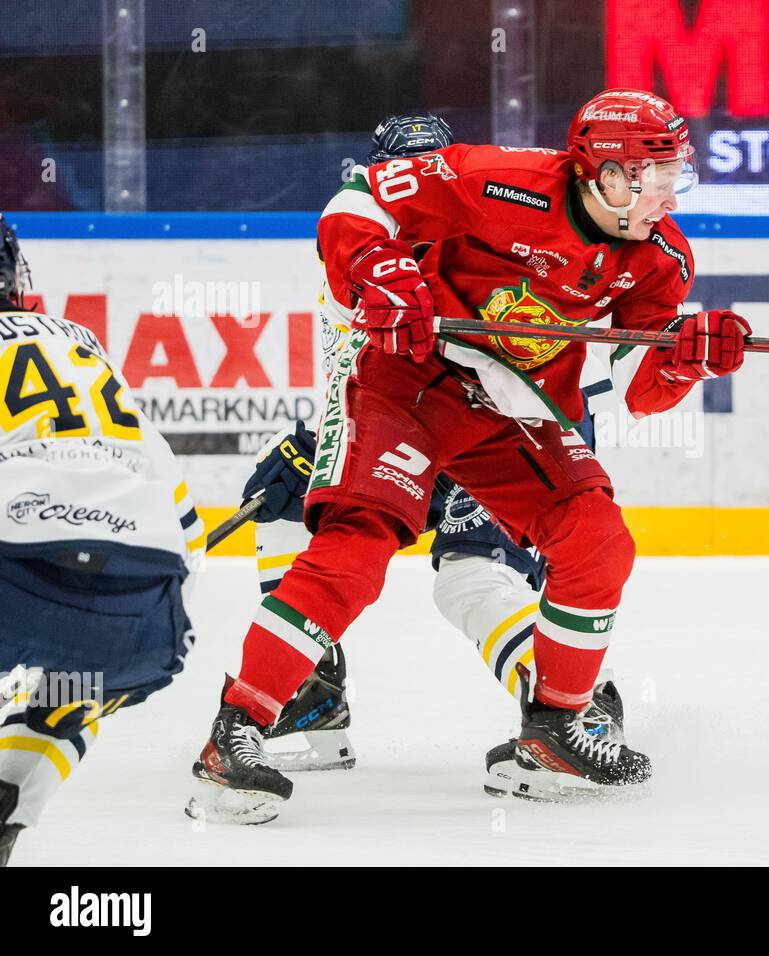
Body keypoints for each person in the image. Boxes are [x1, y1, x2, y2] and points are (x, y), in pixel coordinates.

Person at [187, 88, 751, 822]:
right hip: (410, 381)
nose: (671, 197)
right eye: (658, 177)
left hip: (509, 402)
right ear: (608, 174)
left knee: (596, 539)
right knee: (358, 546)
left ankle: (555, 730)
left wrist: (685, 360)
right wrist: (380, 269)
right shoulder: (499, 179)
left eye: (678, 176)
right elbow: (357, 201)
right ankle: (238, 731)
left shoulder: (660, 257)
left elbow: (640, 389)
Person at [247, 112, 623, 785]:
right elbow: (358, 376)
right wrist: (318, 444)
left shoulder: (507, 243)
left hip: (518, 430)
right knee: (284, 497)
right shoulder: (359, 257)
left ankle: (573, 718)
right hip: (417, 422)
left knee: (471, 577)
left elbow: (567, 383)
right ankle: (309, 701)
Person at [0, 214, 204, 862]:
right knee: (78, 682)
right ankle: (14, 789)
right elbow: (187, 528)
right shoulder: (82, 345)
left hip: (14, 575)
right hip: (142, 618)